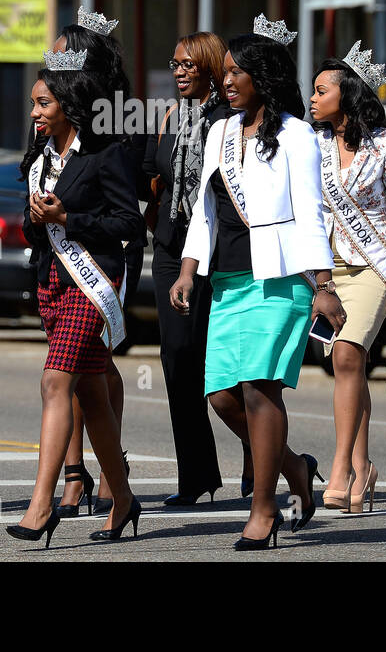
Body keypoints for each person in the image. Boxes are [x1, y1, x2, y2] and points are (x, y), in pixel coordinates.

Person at [169, 16, 346, 550]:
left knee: (259, 392)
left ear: (261, 76)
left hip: (279, 279)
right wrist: (187, 268)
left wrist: (323, 283)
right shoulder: (220, 130)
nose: (226, 80)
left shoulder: (296, 135)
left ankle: (263, 508)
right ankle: (294, 467)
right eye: (224, 72)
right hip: (225, 281)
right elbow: (204, 209)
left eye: (236, 71)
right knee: (223, 397)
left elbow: (311, 212)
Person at [7, 48, 143, 547]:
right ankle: (124, 500)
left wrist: (69, 219)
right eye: (33, 105)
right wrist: (40, 220)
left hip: (92, 284)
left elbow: (128, 223)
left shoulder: (104, 154)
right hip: (52, 283)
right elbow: (30, 229)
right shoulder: (40, 158)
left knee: (54, 381)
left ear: (67, 104)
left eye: (43, 104)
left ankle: (42, 504)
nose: (35, 114)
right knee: (90, 393)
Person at [308, 43, 386, 512]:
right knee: (349, 367)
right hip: (325, 270)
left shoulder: (385, 145)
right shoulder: (313, 143)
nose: (314, 98)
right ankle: (364, 466)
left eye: (322, 91)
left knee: (346, 355)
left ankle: (340, 467)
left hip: (372, 268)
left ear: (348, 94)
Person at [142, 31, 253, 505]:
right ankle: (197, 476)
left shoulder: (230, 120)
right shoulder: (169, 115)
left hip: (216, 252)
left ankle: (261, 451)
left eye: (188, 63)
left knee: (225, 370)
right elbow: (152, 174)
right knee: (177, 363)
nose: (179, 71)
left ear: (209, 65)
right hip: (172, 249)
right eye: (174, 63)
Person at [49, 11, 142, 516]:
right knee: (71, 368)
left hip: (109, 252)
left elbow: (138, 182)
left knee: (95, 363)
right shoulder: (52, 112)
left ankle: (109, 470)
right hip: (59, 251)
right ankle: (74, 474)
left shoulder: (121, 116)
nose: (54, 61)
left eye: (64, 53)